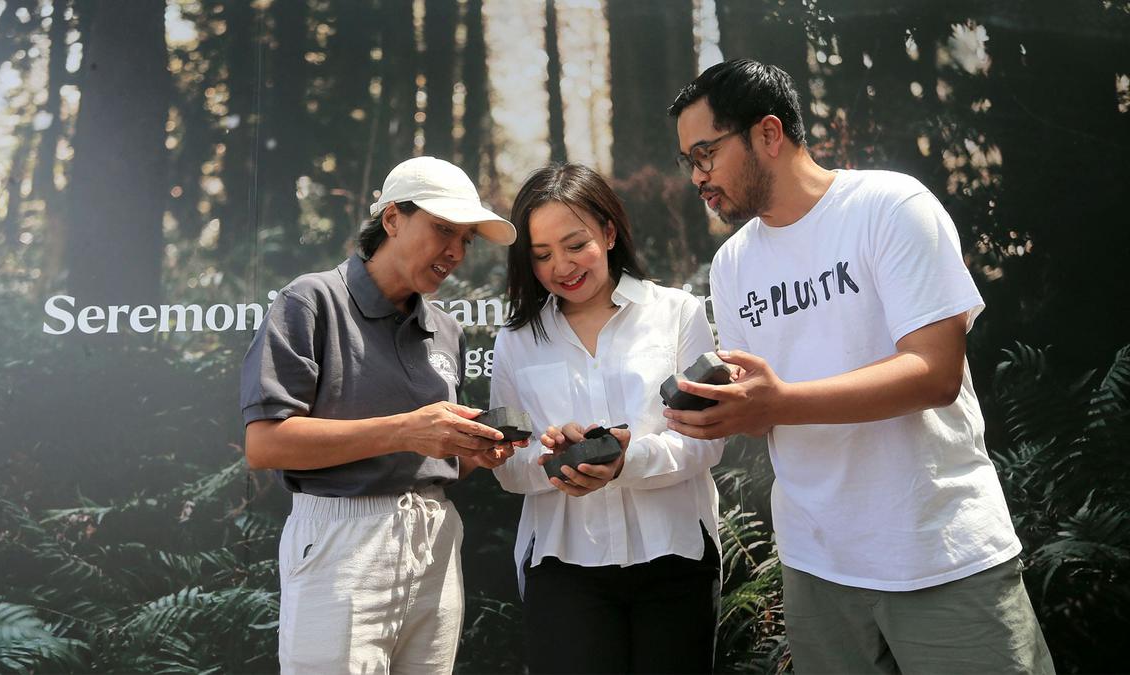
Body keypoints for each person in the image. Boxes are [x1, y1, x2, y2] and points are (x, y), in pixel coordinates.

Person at [665, 59, 1053, 673]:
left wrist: (781, 401)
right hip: (817, 569)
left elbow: (934, 371)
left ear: (768, 133)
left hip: (937, 552)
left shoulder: (889, 206)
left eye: (706, 153)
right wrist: (730, 411)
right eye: (689, 160)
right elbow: (760, 399)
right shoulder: (732, 263)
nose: (697, 176)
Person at [240, 156, 522, 675]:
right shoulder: (311, 301)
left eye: (466, 239)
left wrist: (474, 454)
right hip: (340, 540)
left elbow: (431, 461)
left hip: (435, 536)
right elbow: (265, 445)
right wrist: (407, 430)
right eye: (443, 230)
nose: (456, 252)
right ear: (392, 219)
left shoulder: (446, 329)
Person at [490, 163, 723, 674]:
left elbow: (706, 441)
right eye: (543, 254)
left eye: (576, 245)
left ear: (609, 232)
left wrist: (625, 460)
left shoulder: (677, 313)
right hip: (563, 567)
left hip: (674, 555)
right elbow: (507, 465)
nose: (562, 266)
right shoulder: (515, 341)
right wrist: (555, 461)